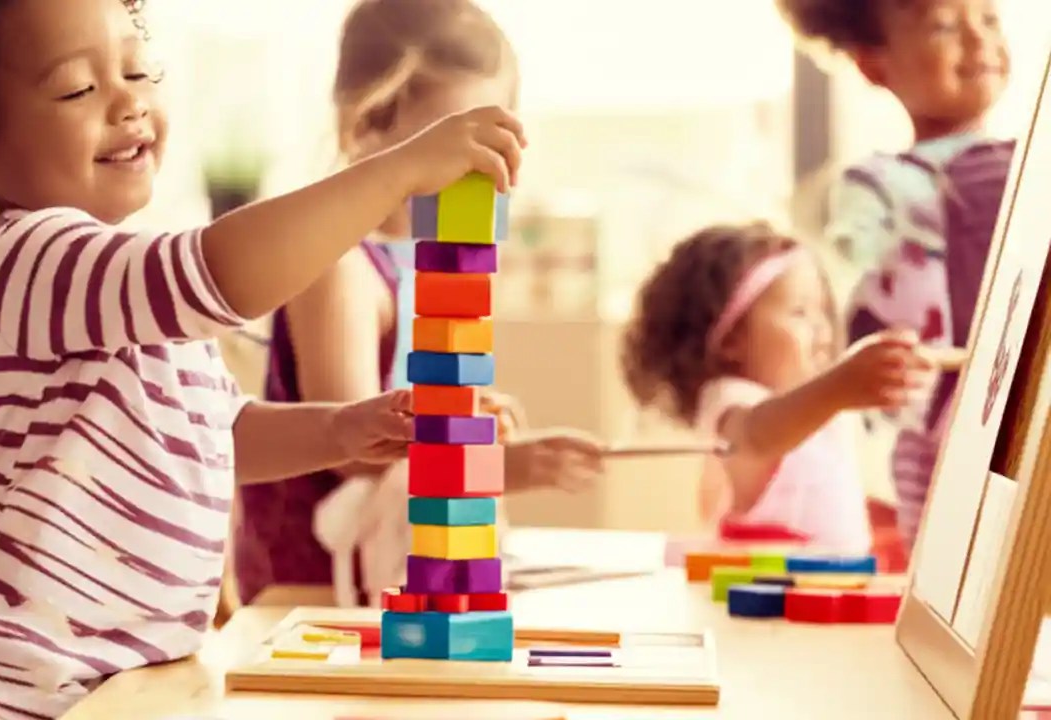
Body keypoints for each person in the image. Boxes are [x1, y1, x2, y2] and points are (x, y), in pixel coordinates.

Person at [0, 0, 526, 717]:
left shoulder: (133, 293)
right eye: (78, 86)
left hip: (101, 690)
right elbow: (220, 274)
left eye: (139, 73)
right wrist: (393, 173)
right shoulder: (28, 257)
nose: (128, 105)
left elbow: (213, 433)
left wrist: (337, 430)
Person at [232, 0, 604, 608]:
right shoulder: (338, 267)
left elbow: (409, 406)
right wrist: (501, 466)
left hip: (391, 583)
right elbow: (356, 447)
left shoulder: (419, 261)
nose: (476, 170)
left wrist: (465, 414)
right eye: (456, 143)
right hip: (310, 597)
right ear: (366, 124)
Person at [776, 0, 1012, 549]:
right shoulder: (881, 183)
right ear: (875, 66)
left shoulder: (1033, 164)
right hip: (938, 416)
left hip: (1019, 394)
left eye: (990, 19)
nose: (978, 40)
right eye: (946, 26)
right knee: (944, 554)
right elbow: (845, 274)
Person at [621, 222, 935, 552]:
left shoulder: (815, 409)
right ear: (731, 340)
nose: (822, 330)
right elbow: (758, 438)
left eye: (823, 312)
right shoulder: (730, 401)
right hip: (767, 597)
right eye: (800, 312)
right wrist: (840, 388)